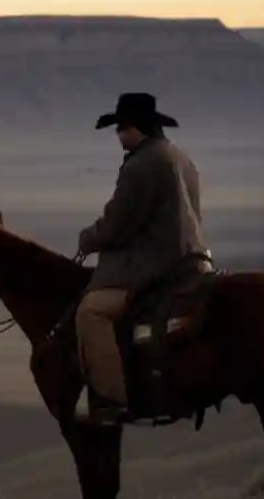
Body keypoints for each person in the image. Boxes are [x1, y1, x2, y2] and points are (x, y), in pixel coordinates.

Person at [74, 93, 208, 425]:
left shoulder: (140, 166)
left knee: (91, 311)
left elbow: (118, 224)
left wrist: (87, 238)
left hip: (159, 268)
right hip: (194, 261)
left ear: (140, 128)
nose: (119, 134)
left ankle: (110, 399)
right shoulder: (181, 158)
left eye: (123, 127)